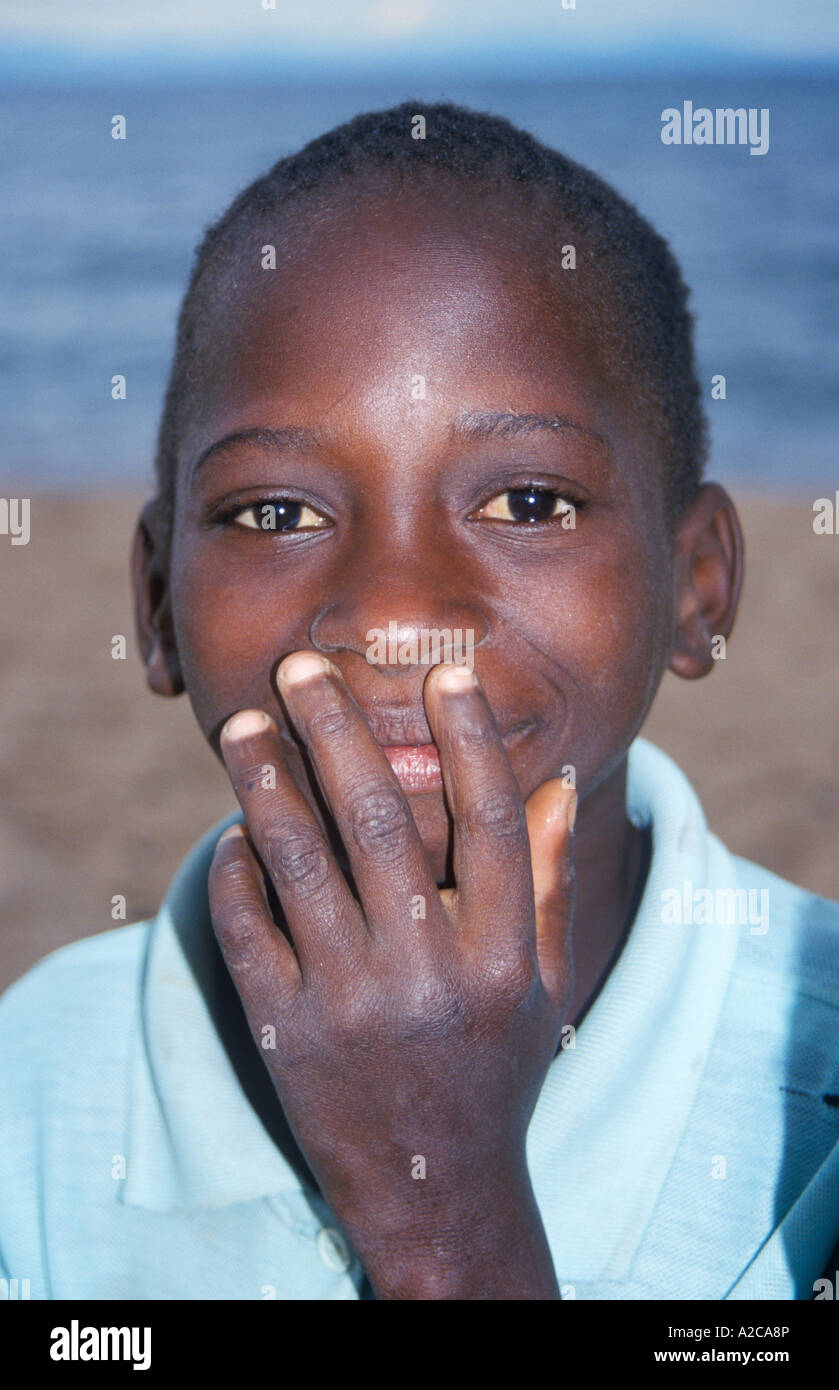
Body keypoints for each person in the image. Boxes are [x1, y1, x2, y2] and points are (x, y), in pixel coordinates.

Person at [1, 101, 837, 1301]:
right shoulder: (30, 1094)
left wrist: (447, 1220)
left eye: (529, 504)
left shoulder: (811, 1112)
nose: (396, 614)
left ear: (697, 585)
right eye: (275, 513)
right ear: (156, 602)